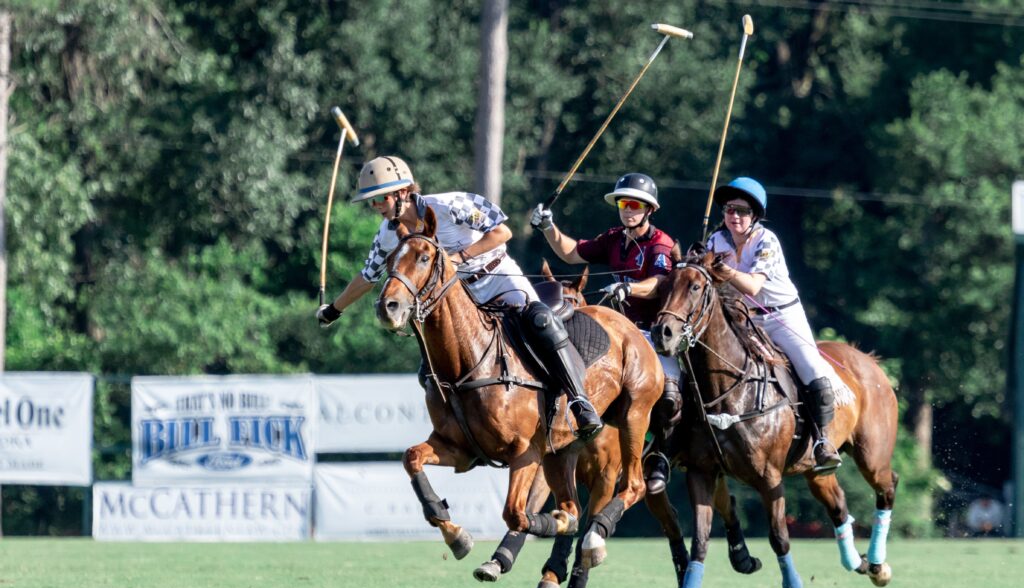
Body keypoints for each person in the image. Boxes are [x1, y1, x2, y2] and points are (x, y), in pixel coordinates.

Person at [317, 156, 602, 440]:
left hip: (497, 278)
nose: (376, 206)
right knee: (429, 369)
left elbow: (503, 232)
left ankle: (579, 401)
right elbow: (368, 277)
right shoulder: (387, 235)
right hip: (459, 298)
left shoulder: (449, 205)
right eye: (373, 201)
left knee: (540, 323)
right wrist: (334, 309)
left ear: (403, 192)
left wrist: (458, 257)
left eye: (381, 198)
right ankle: (465, 434)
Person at [531, 173, 682, 492]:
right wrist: (548, 227)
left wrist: (630, 289)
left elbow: (659, 282)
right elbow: (572, 252)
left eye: (635, 205)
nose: (628, 210)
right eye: (623, 203)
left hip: (655, 336)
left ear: (649, 210)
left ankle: (661, 457)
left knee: (669, 395)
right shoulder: (614, 239)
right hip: (621, 335)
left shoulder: (660, 244)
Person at [704, 177, 852, 474]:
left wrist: (722, 269)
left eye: (743, 211)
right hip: (743, 318)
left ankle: (822, 441)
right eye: (730, 209)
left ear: (755, 215)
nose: (735, 216)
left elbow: (753, 287)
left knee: (811, 368)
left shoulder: (766, 240)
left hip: (782, 317)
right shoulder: (715, 241)